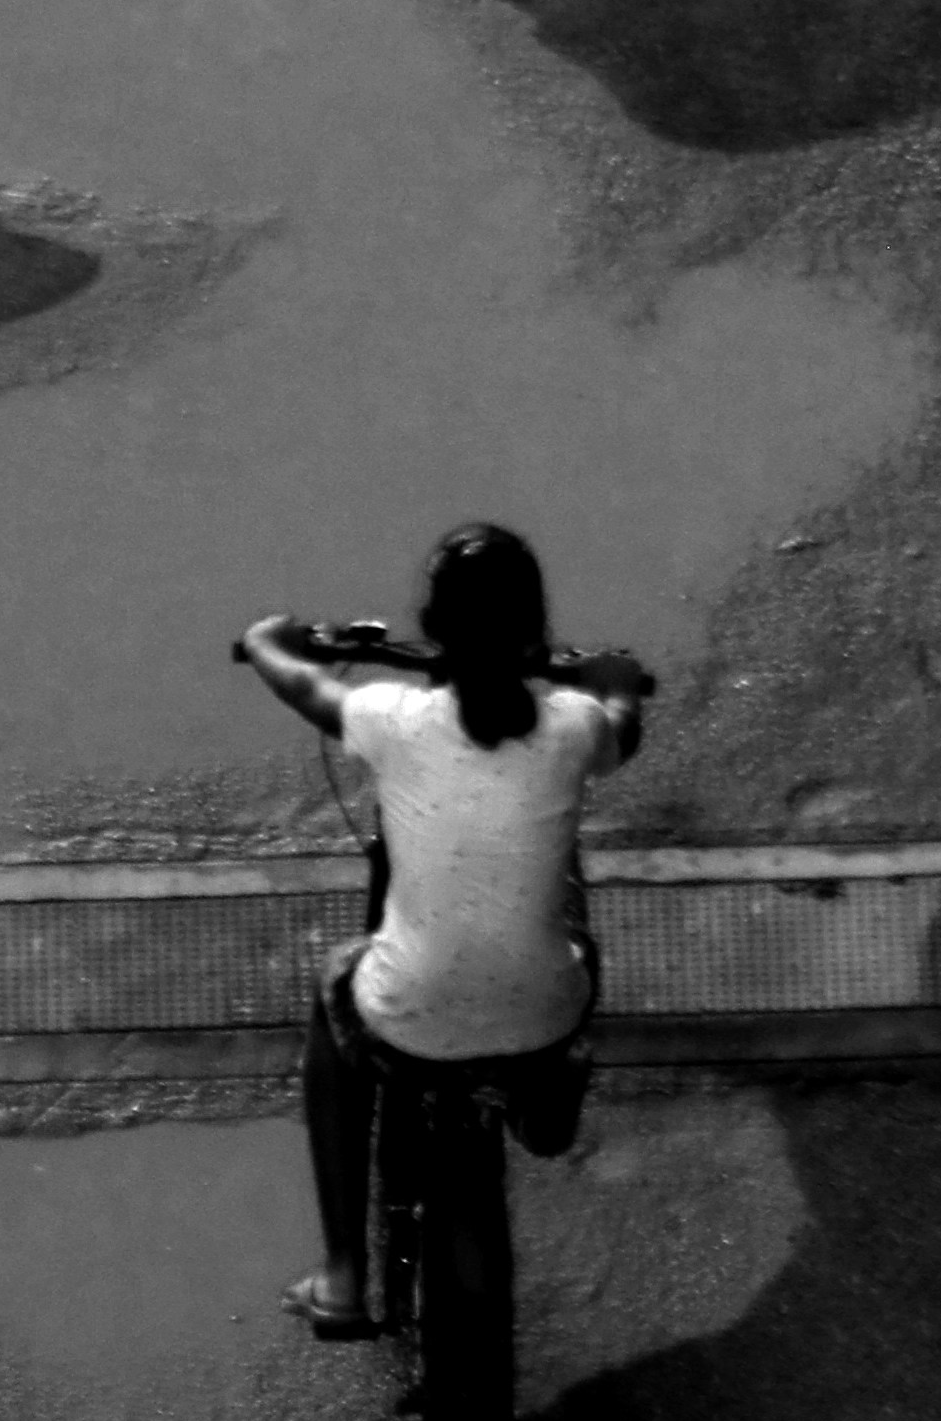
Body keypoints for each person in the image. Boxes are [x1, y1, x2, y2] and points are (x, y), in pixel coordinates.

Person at [235, 525, 653, 1341]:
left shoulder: (390, 718)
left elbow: (303, 686)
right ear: (534, 633)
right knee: (575, 925)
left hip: (406, 1022)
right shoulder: (575, 726)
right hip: (542, 1019)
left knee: (336, 986)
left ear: (432, 626)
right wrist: (617, 683)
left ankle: (343, 1276)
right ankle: (546, 1101)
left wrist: (265, 643)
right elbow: (623, 724)